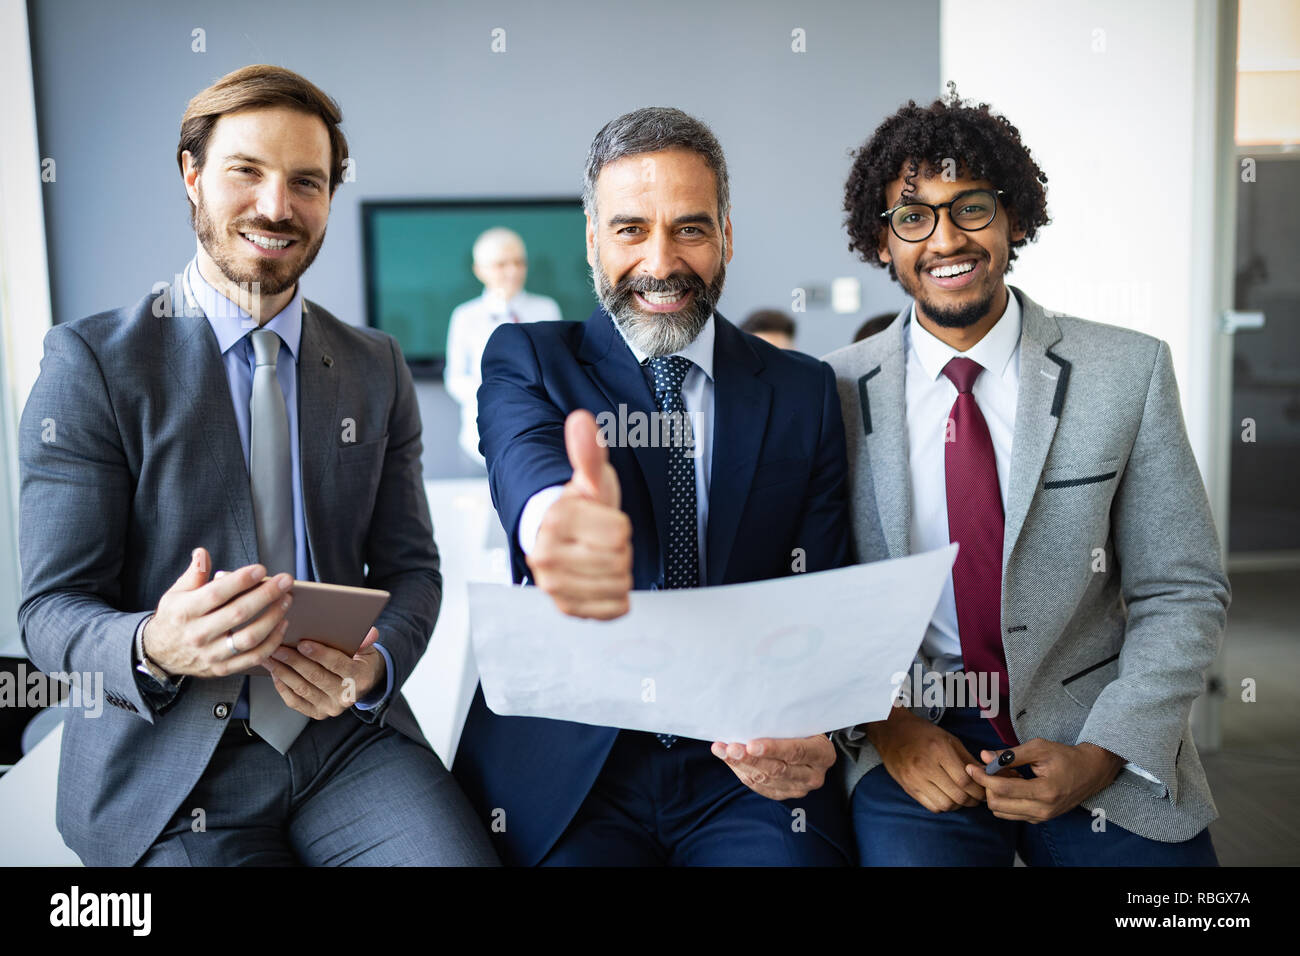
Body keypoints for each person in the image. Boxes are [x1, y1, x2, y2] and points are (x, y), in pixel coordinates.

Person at [18, 64, 497, 867]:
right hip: (171, 762)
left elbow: (415, 570)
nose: (277, 207)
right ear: (192, 174)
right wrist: (154, 644)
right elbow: (50, 612)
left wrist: (373, 665)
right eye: (247, 171)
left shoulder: (375, 366)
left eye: (306, 182)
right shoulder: (93, 364)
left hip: (344, 742)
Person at [823, 91, 1229, 865]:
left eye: (971, 208)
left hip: (1092, 728)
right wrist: (886, 725)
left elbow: (1182, 587)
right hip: (919, 739)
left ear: (1015, 219)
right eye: (913, 217)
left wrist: (1107, 749)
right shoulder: (830, 392)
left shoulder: (1128, 371)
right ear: (882, 243)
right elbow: (815, 589)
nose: (946, 239)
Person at [452, 107, 855, 866]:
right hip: (572, 763)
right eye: (631, 229)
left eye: (691, 229)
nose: (661, 262)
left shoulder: (804, 391)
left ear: (727, 238)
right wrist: (557, 528)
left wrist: (819, 726)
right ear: (594, 242)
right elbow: (525, 465)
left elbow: (822, 590)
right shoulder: (529, 358)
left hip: (746, 764)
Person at [444, 228, 562, 465]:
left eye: (519, 262)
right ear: (479, 271)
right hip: (477, 442)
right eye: (501, 264)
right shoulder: (466, 316)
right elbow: (454, 377)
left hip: (538, 437)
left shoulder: (547, 309)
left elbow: (558, 370)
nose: (513, 272)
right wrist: (495, 393)